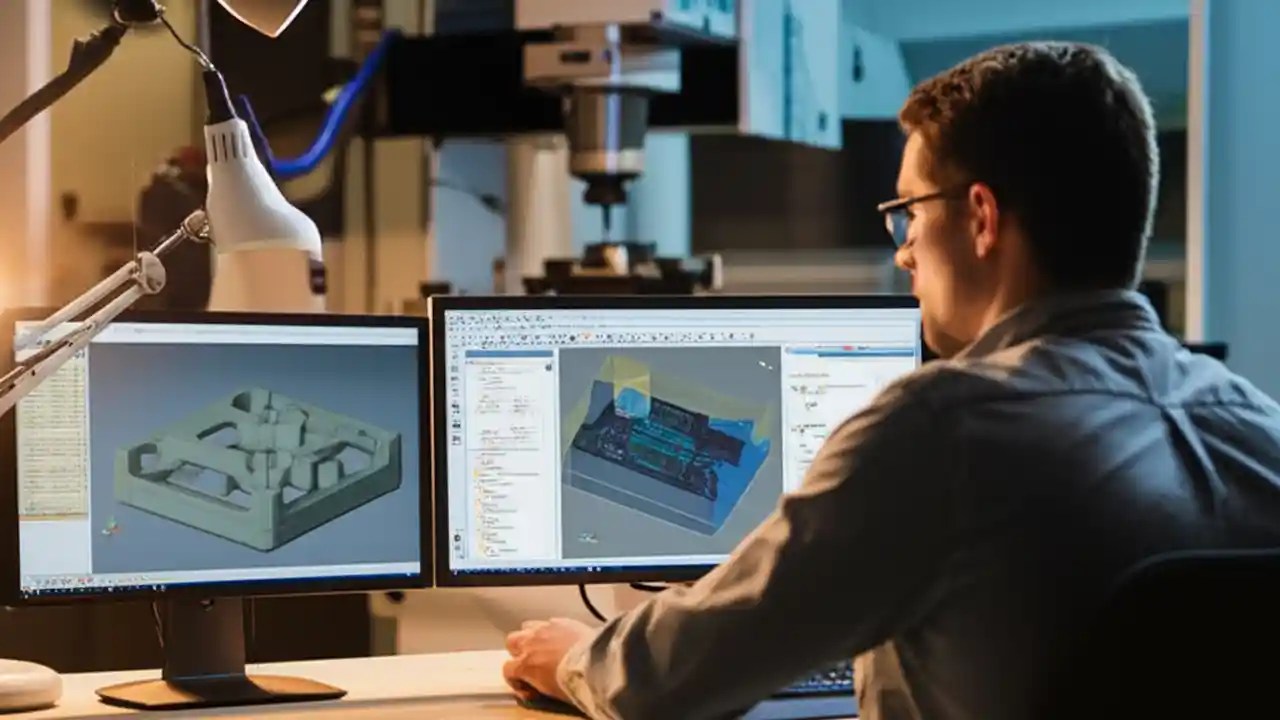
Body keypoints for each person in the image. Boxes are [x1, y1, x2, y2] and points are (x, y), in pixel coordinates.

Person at [501, 41, 1280, 720]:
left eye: (910, 212)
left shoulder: (942, 429)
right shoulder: (1259, 430)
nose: (904, 251)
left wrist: (578, 656)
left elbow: (669, 681)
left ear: (981, 217)